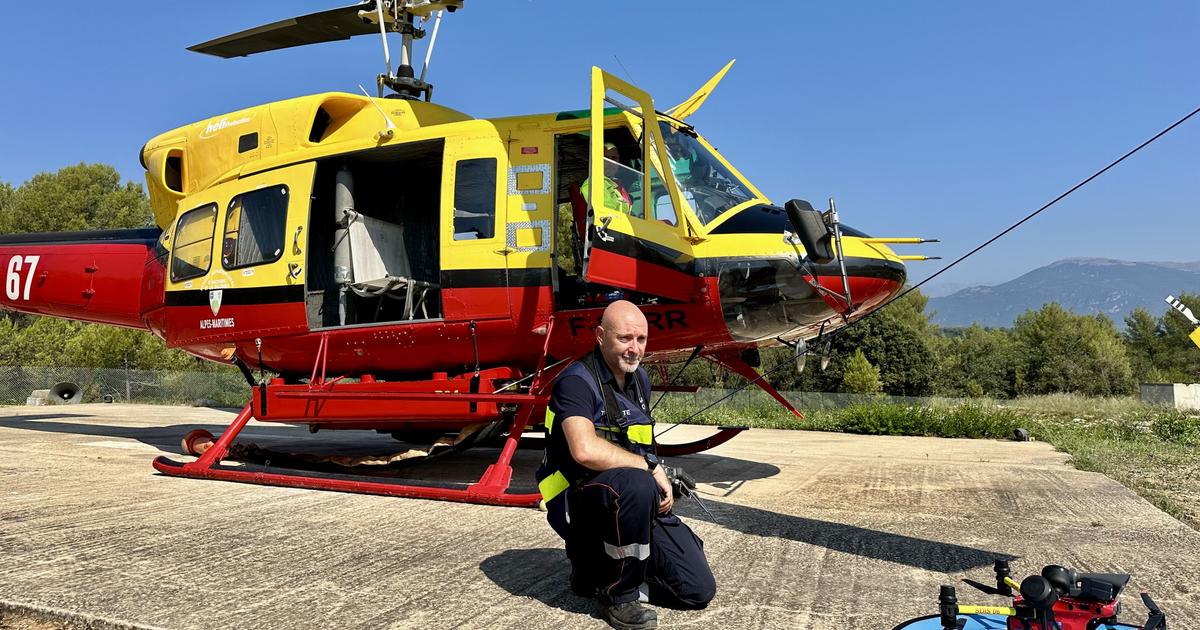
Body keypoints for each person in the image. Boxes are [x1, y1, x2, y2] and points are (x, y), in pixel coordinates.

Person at [537, 300, 716, 630]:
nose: (634, 349)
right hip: (585, 503)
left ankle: (594, 573)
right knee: (638, 483)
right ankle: (617, 596)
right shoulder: (576, 381)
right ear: (600, 335)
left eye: (641, 340)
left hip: (630, 503)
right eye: (624, 339)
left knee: (697, 590)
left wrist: (666, 476)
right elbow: (584, 450)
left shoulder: (638, 380)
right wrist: (650, 469)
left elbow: (638, 446)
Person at [581, 142, 635, 215]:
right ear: (597, 161)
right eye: (605, 158)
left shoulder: (618, 185)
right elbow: (608, 212)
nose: (610, 162)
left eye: (614, 158)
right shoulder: (592, 184)